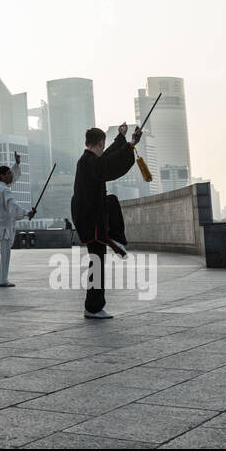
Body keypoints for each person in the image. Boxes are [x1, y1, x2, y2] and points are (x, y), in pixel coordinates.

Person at [71, 124, 141, 319]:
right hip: (92, 221)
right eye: (104, 144)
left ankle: (115, 238)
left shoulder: (88, 160)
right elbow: (108, 165)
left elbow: (106, 158)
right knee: (97, 263)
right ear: (100, 142)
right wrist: (129, 146)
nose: (104, 147)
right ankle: (93, 308)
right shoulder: (88, 162)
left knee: (97, 261)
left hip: (91, 218)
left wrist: (123, 140)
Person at [0, 152, 35, 287]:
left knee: (4, 254)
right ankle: (1, 280)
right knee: (5, 255)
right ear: (2, 176)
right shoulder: (5, 190)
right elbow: (13, 206)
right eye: (8, 173)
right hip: (3, 227)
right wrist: (27, 213)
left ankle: (0, 278)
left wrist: (16, 164)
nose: (11, 175)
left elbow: (13, 179)